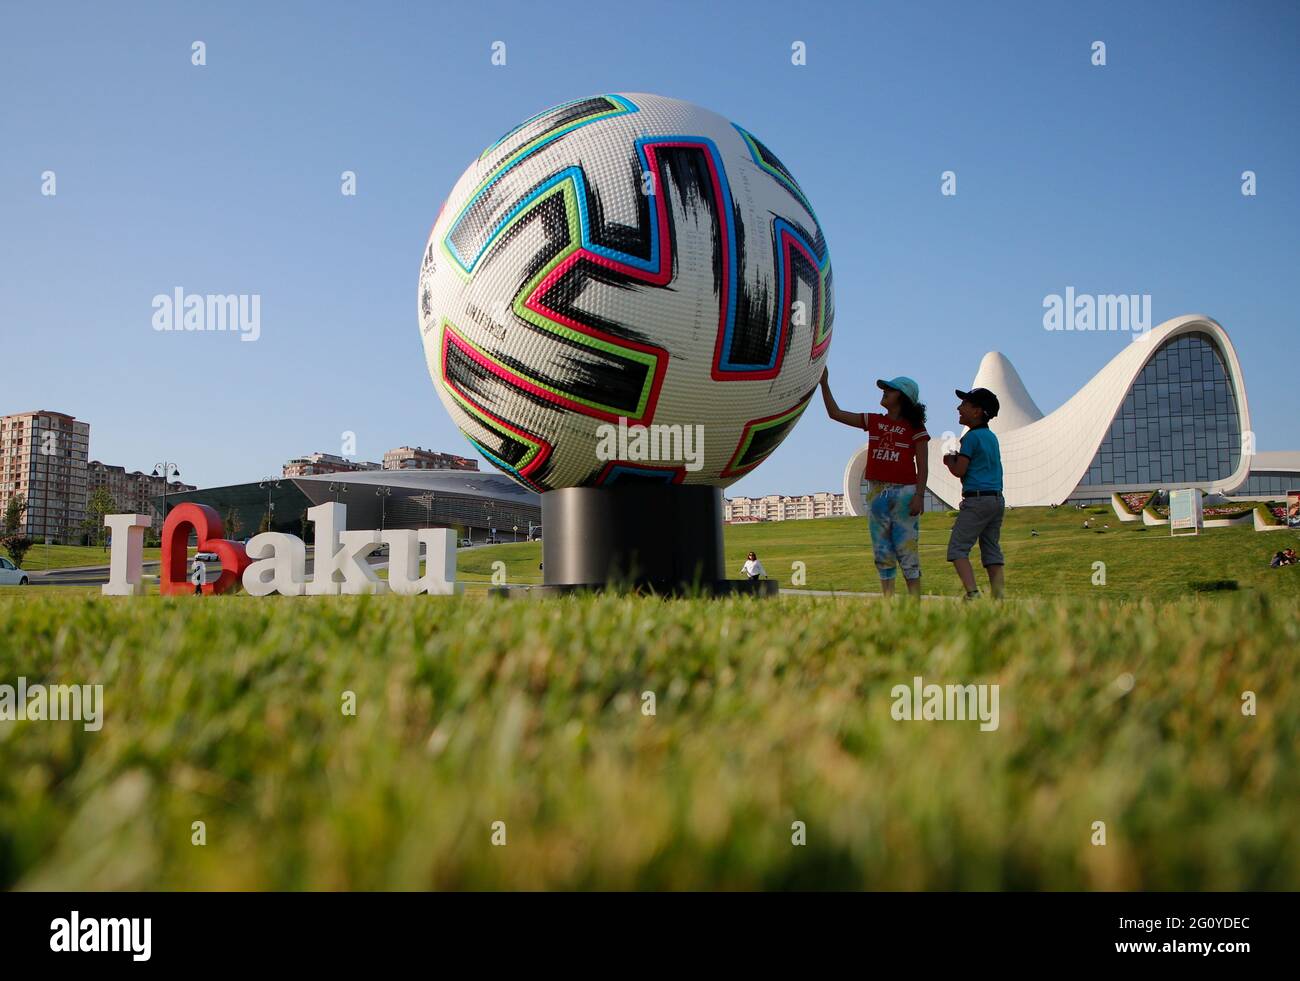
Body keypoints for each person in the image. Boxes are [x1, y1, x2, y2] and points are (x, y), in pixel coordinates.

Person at [821, 368, 929, 597]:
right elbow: (835, 413)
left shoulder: (916, 429)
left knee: (907, 550)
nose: (884, 393)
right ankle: (888, 602)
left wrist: (919, 495)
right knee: (882, 551)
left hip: (905, 493)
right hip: (877, 492)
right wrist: (824, 384)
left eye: (890, 390)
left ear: (903, 396)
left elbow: (923, 465)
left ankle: (915, 604)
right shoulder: (874, 420)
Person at [942, 388, 1005, 600]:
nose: (959, 408)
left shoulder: (970, 438)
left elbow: (960, 470)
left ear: (977, 411)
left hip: (976, 500)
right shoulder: (990, 437)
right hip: (996, 498)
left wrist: (949, 460)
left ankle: (973, 593)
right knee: (991, 550)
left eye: (964, 405)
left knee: (957, 549)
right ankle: (998, 597)